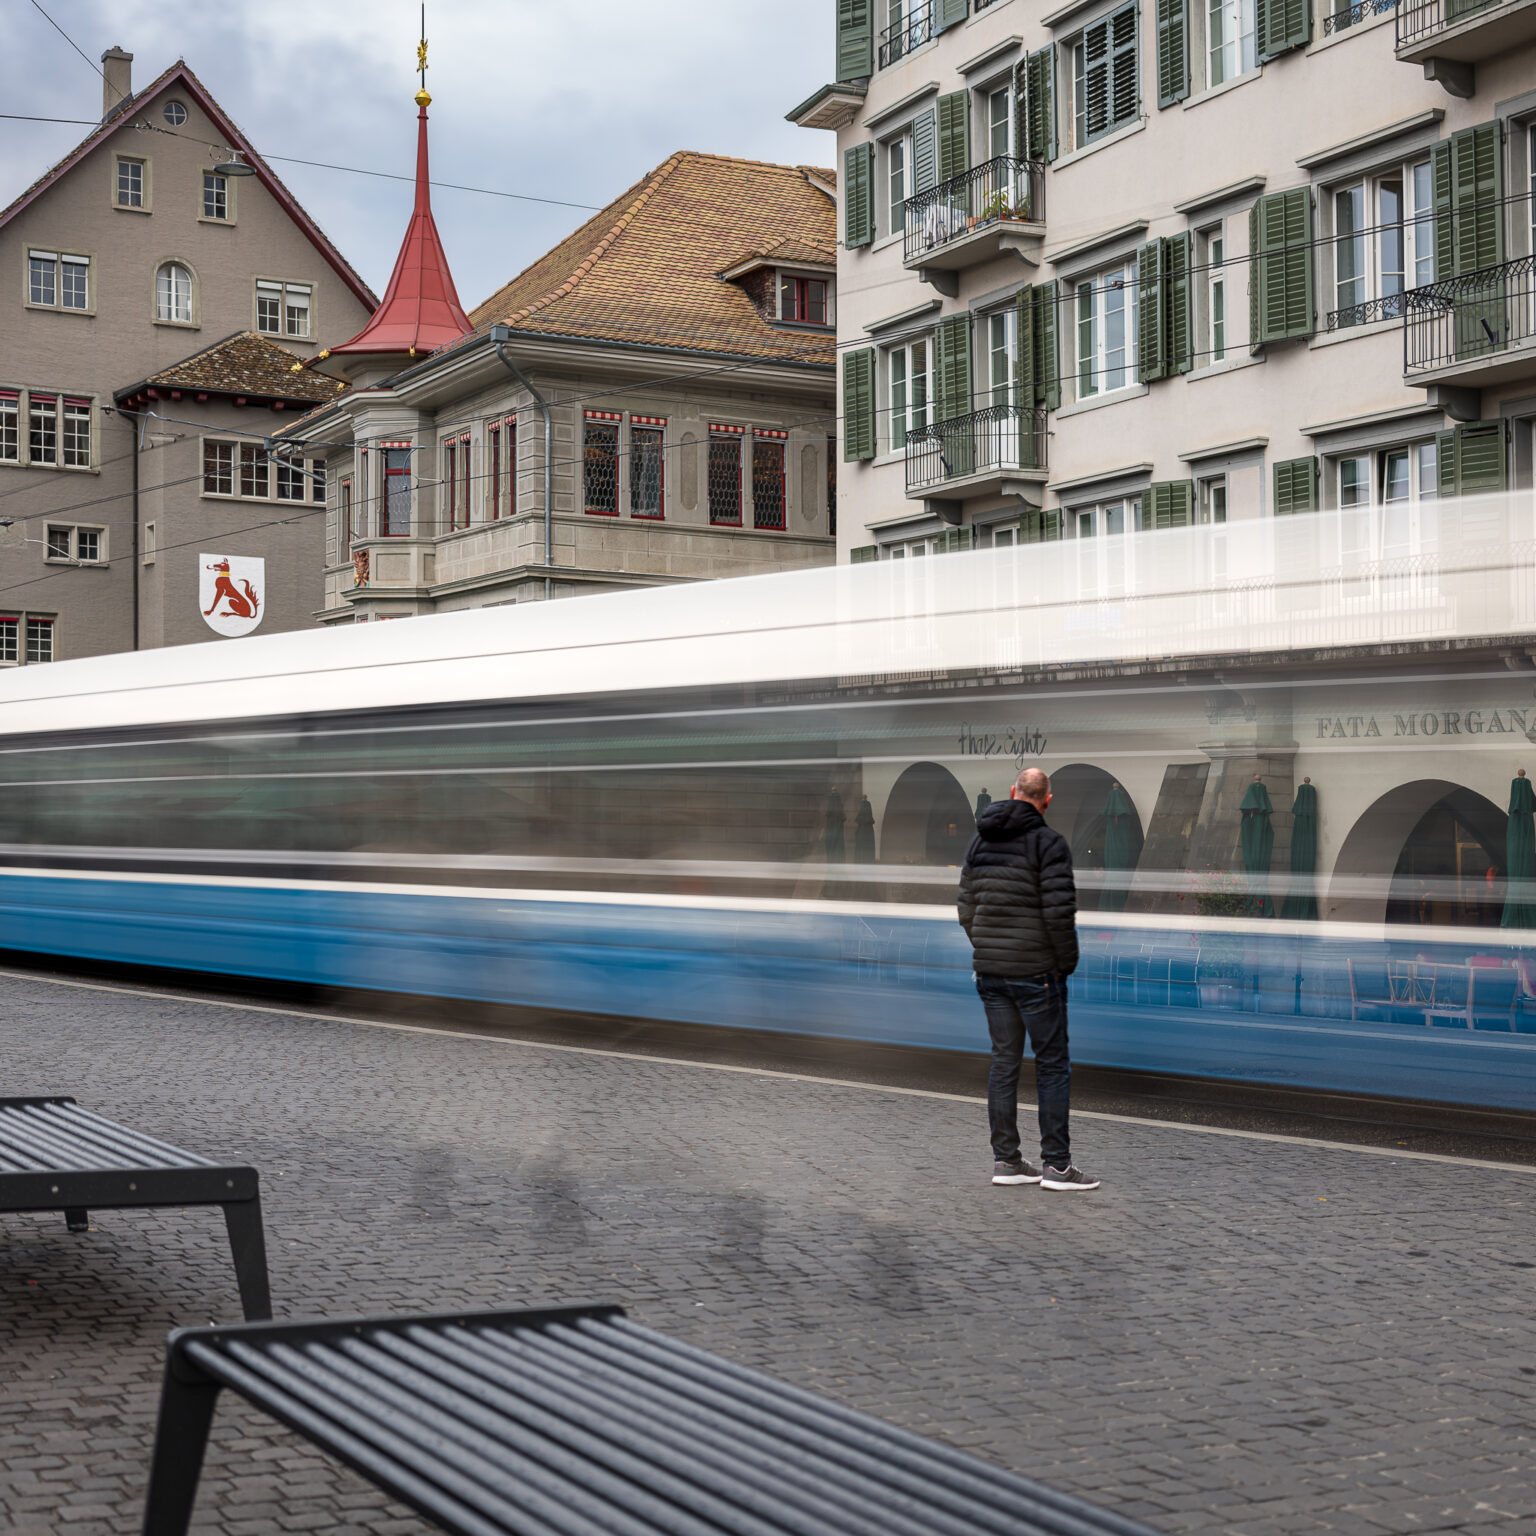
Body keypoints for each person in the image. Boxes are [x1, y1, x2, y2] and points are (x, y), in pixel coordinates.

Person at [958, 766, 1099, 1192]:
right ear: (1047, 800)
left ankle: (1007, 1161)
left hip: (992, 972)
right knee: (1052, 1066)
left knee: (1004, 1063)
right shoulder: (1049, 843)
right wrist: (1064, 964)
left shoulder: (980, 840)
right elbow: (1060, 914)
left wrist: (986, 947)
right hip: (1037, 973)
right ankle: (1056, 1166)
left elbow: (965, 906)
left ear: (1013, 792)